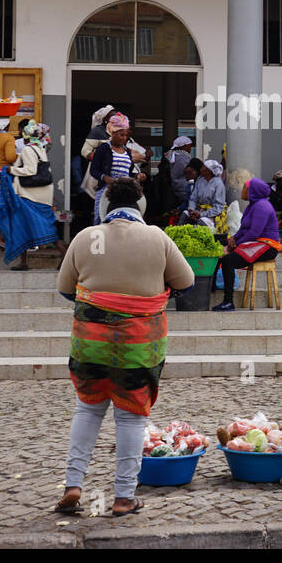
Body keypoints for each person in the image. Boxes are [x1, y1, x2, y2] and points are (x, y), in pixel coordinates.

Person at [53, 178, 195, 517]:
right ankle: (123, 497)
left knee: (87, 409)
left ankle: (73, 484)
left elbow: (65, 289)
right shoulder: (157, 237)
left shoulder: (85, 237)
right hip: (139, 343)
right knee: (131, 419)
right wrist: (151, 298)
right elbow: (186, 282)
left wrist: (102, 302)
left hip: (91, 342)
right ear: (141, 205)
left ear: (104, 205)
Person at [1, 121, 67, 270]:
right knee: (44, 227)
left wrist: (12, 170)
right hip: (42, 195)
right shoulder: (40, 149)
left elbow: (30, 170)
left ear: (25, 136)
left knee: (23, 226)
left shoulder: (27, 150)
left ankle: (64, 255)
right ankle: (25, 262)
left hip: (30, 195)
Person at [212, 178, 282, 312]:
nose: (242, 191)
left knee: (228, 261)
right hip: (254, 241)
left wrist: (235, 244)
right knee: (218, 242)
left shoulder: (262, 206)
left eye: (245, 188)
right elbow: (244, 230)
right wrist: (233, 239)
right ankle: (211, 287)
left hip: (266, 245)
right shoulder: (253, 205)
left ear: (253, 191)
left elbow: (254, 232)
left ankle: (228, 301)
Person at [89, 113, 147, 225]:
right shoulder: (103, 149)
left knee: (126, 219)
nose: (124, 138)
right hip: (107, 190)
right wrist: (105, 178)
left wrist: (137, 177)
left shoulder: (127, 152)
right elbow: (94, 170)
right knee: (101, 218)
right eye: (121, 135)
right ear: (113, 133)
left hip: (125, 191)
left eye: (126, 136)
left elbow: (128, 173)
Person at [181, 158, 226, 230]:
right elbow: (193, 199)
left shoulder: (218, 184)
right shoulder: (200, 181)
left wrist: (201, 214)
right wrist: (191, 210)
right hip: (199, 210)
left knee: (201, 222)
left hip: (212, 213)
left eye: (203, 167)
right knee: (184, 215)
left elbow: (218, 207)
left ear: (208, 171)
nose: (200, 169)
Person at [167, 136, 194, 210]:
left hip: (176, 186)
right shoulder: (182, 157)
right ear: (184, 146)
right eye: (190, 146)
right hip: (182, 187)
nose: (190, 148)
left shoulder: (174, 154)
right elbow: (185, 171)